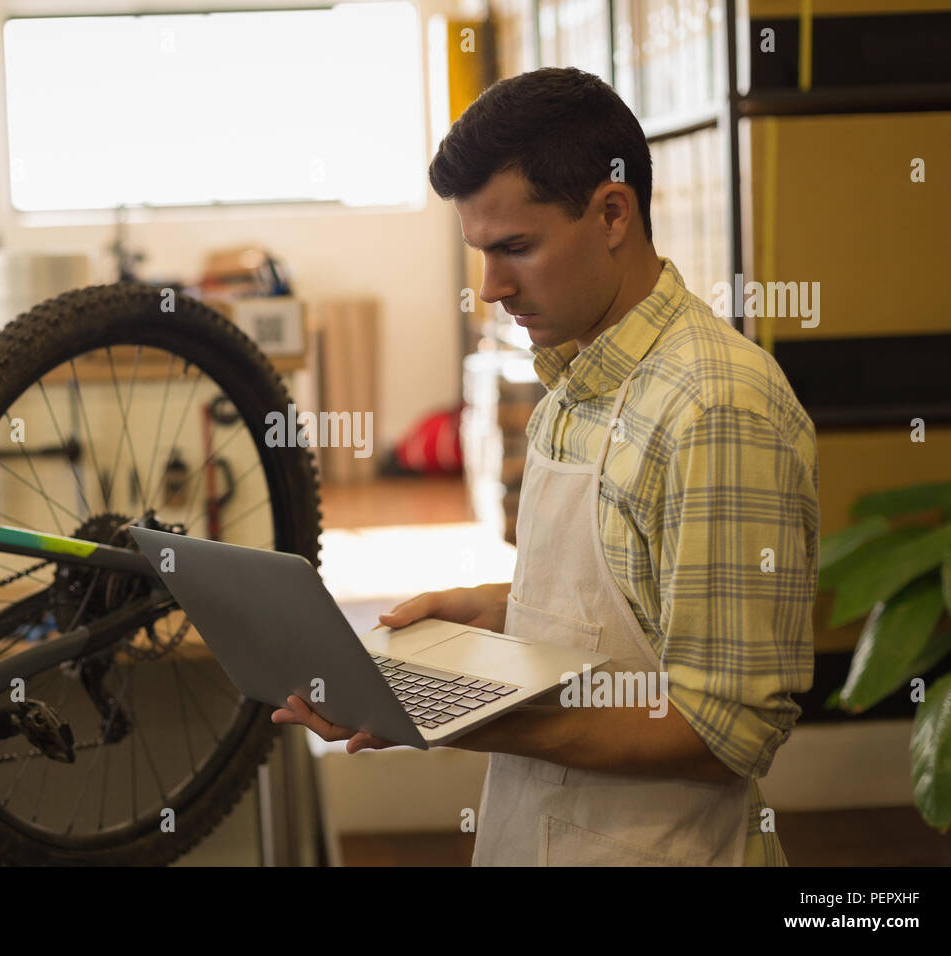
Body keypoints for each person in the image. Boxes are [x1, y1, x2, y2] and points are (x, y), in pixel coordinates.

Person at [272, 67, 819, 866]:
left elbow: (726, 723)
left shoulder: (717, 408)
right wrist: (498, 610)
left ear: (611, 213)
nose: (491, 287)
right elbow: (637, 602)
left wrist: (454, 715)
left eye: (516, 248)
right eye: (480, 253)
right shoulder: (574, 376)